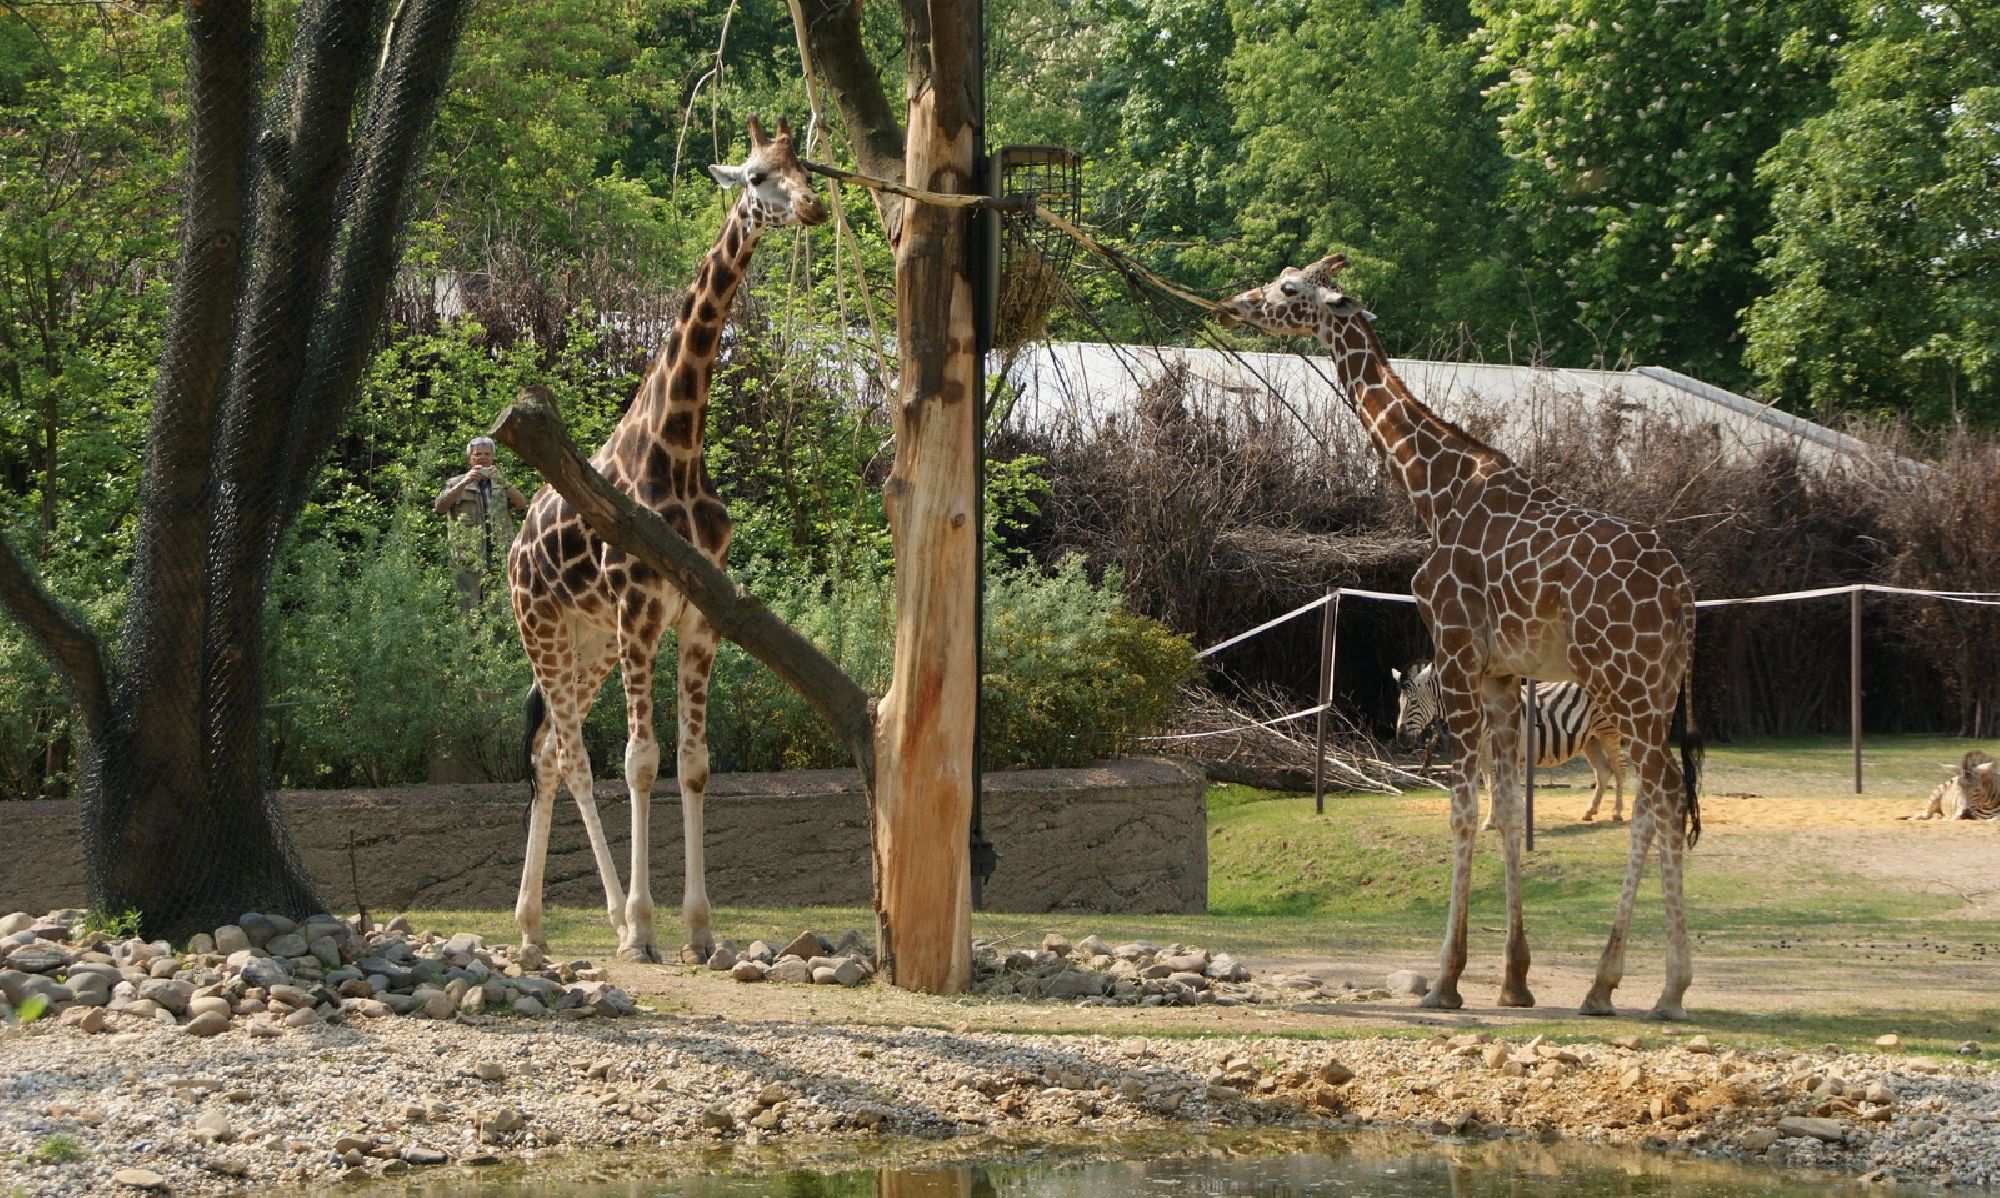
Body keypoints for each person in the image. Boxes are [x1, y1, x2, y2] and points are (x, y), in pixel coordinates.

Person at [433, 435, 528, 610]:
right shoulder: (455, 483)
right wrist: (465, 481)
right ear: (469, 459)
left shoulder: (502, 483)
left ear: (493, 458)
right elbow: (440, 507)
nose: (482, 457)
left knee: (501, 612)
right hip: (467, 559)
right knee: (468, 613)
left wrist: (503, 482)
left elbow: (522, 505)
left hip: (500, 558)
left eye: (487, 454)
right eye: (477, 454)